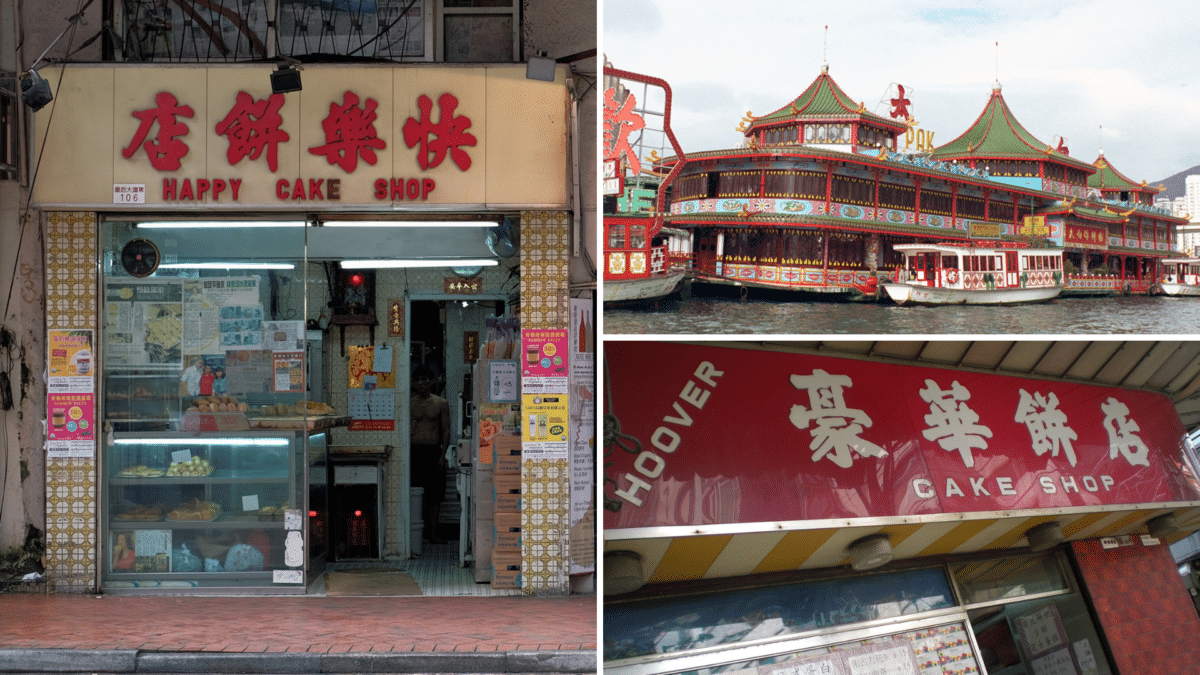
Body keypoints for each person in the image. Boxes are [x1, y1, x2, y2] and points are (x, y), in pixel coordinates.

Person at [410, 364, 450, 545]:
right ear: (413, 383)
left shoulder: (441, 403)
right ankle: (414, 533)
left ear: (431, 382)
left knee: (435, 496)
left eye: (424, 380)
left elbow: (446, 431)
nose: (421, 384)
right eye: (417, 380)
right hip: (414, 453)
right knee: (415, 494)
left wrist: (442, 456)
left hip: (434, 452)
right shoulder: (409, 404)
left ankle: (433, 533)